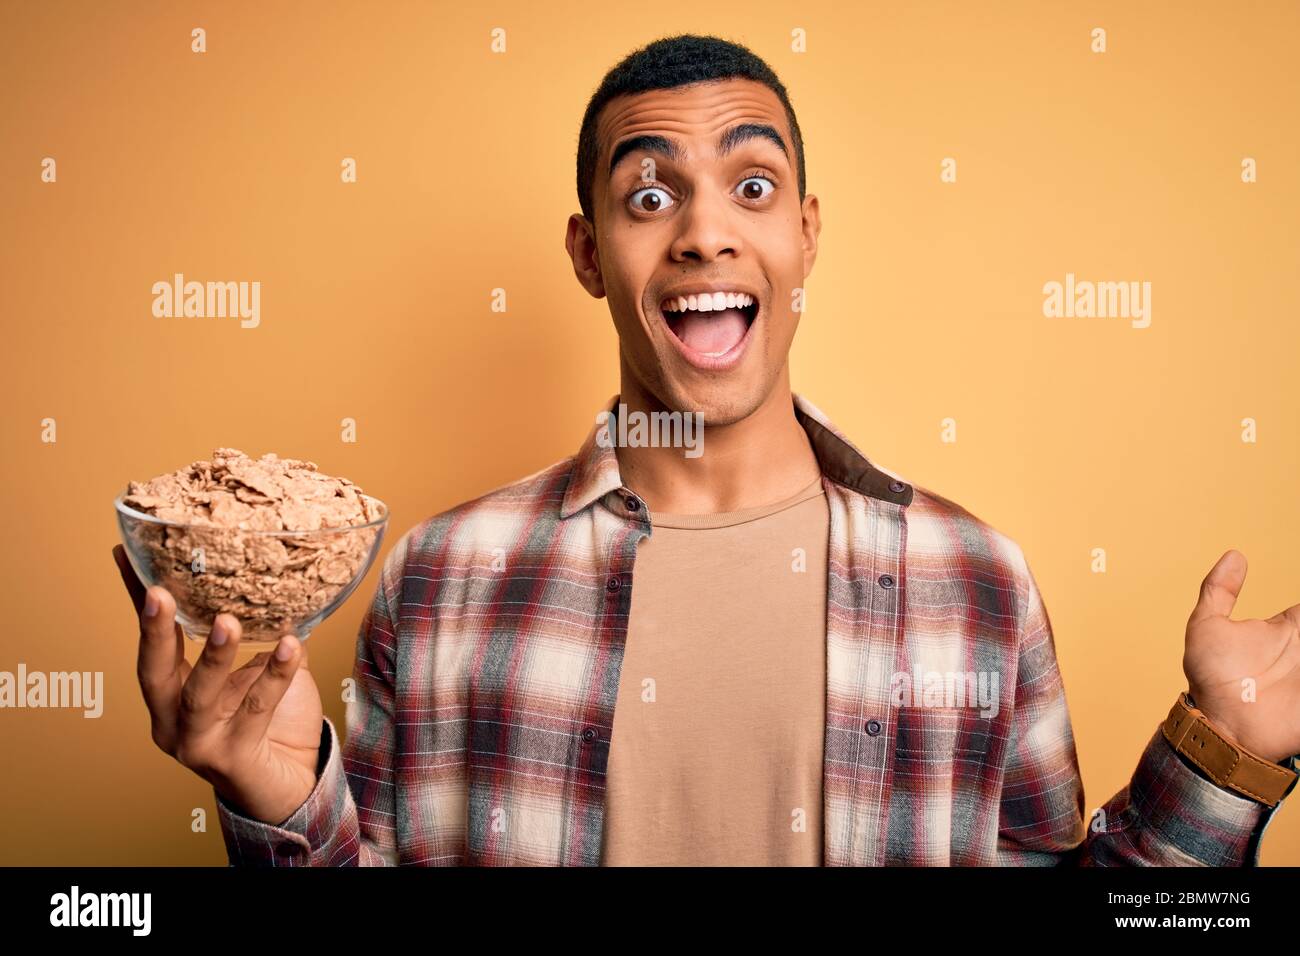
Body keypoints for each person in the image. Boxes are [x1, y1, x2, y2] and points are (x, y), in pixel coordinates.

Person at [114, 33, 1300, 866]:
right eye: (648, 197)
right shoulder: (439, 578)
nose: (702, 234)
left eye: (750, 183)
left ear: (805, 233)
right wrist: (278, 799)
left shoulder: (975, 583)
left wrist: (1223, 760)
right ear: (587, 254)